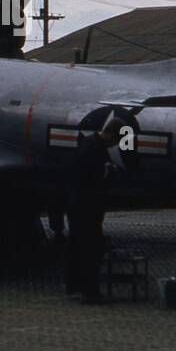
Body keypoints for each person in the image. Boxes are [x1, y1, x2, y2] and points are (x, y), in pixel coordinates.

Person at [66, 117, 125, 303]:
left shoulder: (91, 145)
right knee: (90, 249)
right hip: (86, 207)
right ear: (110, 134)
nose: (115, 144)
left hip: (81, 205)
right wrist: (109, 174)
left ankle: (76, 286)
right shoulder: (93, 149)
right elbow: (93, 178)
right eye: (115, 140)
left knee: (79, 247)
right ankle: (89, 291)